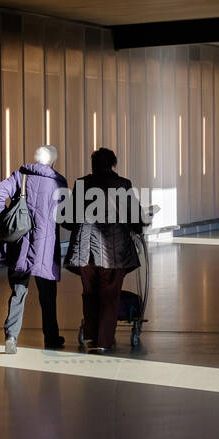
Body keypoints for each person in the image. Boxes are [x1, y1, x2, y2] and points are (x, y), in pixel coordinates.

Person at [65, 147, 143, 352]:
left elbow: (68, 217)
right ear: (113, 165)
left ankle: (91, 338)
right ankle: (104, 342)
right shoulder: (122, 184)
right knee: (109, 295)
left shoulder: (81, 184)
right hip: (114, 252)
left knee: (90, 294)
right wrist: (137, 228)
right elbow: (135, 217)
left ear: (93, 166)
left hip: (84, 251)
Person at [0, 145, 68, 353]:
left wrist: (4, 218)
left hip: (20, 246)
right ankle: (51, 338)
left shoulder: (21, 176)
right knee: (48, 296)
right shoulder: (58, 183)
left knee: (18, 292)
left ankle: (11, 338)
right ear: (52, 162)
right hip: (46, 248)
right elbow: (65, 217)